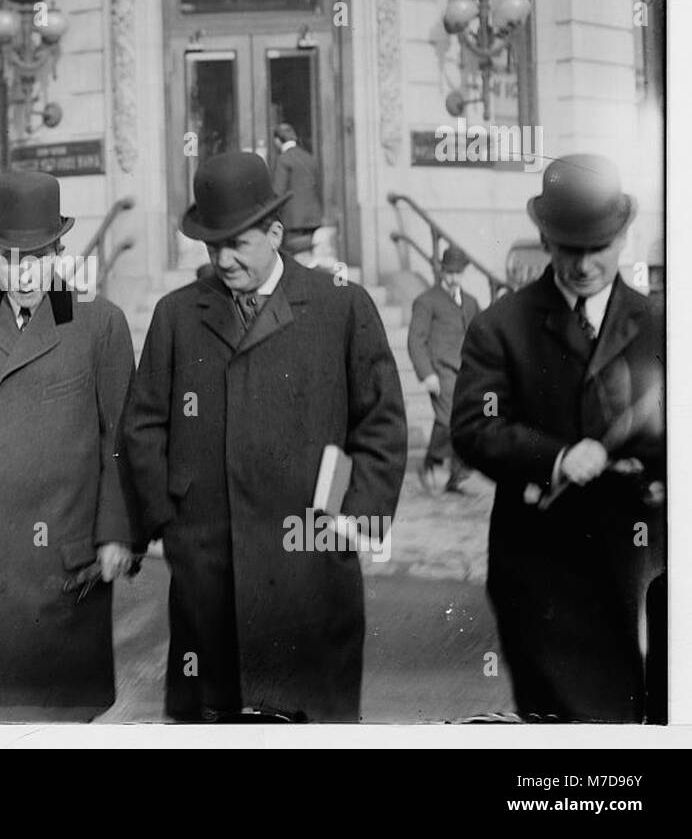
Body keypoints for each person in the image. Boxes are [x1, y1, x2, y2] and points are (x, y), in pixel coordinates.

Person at [121, 151, 406, 722]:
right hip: (208, 571)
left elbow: (381, 422)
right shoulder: (177, 315)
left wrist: (352, 519)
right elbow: (143, 423)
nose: (223, 260)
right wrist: (171, 522)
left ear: (276, 233)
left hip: (312, 568)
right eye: (210, 246)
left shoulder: (340, 306)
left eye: (239, 244)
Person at [0, 170, 138, 721]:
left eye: (37, 257)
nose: (24, 274)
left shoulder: (99, 324)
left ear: (60, 252)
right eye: (10, 259)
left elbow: (121, 441)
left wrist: (116, 532)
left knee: (57, 711)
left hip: (65, 551)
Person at [452, 154, 665, 722]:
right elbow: (475, 427)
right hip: (544, 573)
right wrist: (558, 458)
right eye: (570, 248)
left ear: (623, 237)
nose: (586, 265)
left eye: (599, 247)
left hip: (647, 570)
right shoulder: (501, 326)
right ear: (546, 240)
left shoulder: (665, 325)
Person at [407, 245, 481, 494]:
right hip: (441, 372)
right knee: (448, 419)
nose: (453, 278)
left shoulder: (471, 302)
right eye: (449, 272)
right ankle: (433, 463)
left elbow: (478, 336)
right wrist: (426, 373)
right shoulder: (426, 301)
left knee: (467, 419)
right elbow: (415, 340)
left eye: (458, 273)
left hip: (466, 373)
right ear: (441, 271)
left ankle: (456, 475)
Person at [270, 123, 323, 259]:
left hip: (292, 222)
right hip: (313, 219)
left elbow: (278, 192)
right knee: (308, 257)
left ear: (277, 140)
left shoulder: (284, 159)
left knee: (292, 260)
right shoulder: (310, 158)